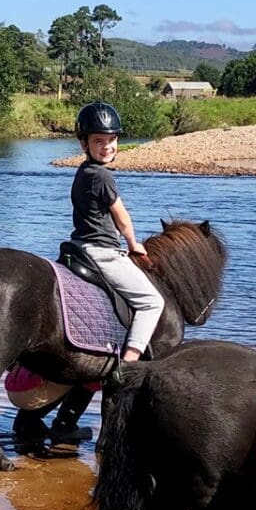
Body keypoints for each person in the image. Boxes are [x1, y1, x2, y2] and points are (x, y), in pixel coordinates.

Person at [69, 100, 164, 364]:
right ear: (84, 144)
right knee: (152, 302)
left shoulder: (83, 171)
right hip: (102, 252)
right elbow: (120, 216)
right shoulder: (102, 176)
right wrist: (133, 243)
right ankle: (129, 363)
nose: (107, 146)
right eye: (99, 141)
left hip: (78, 246)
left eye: (111, 139)